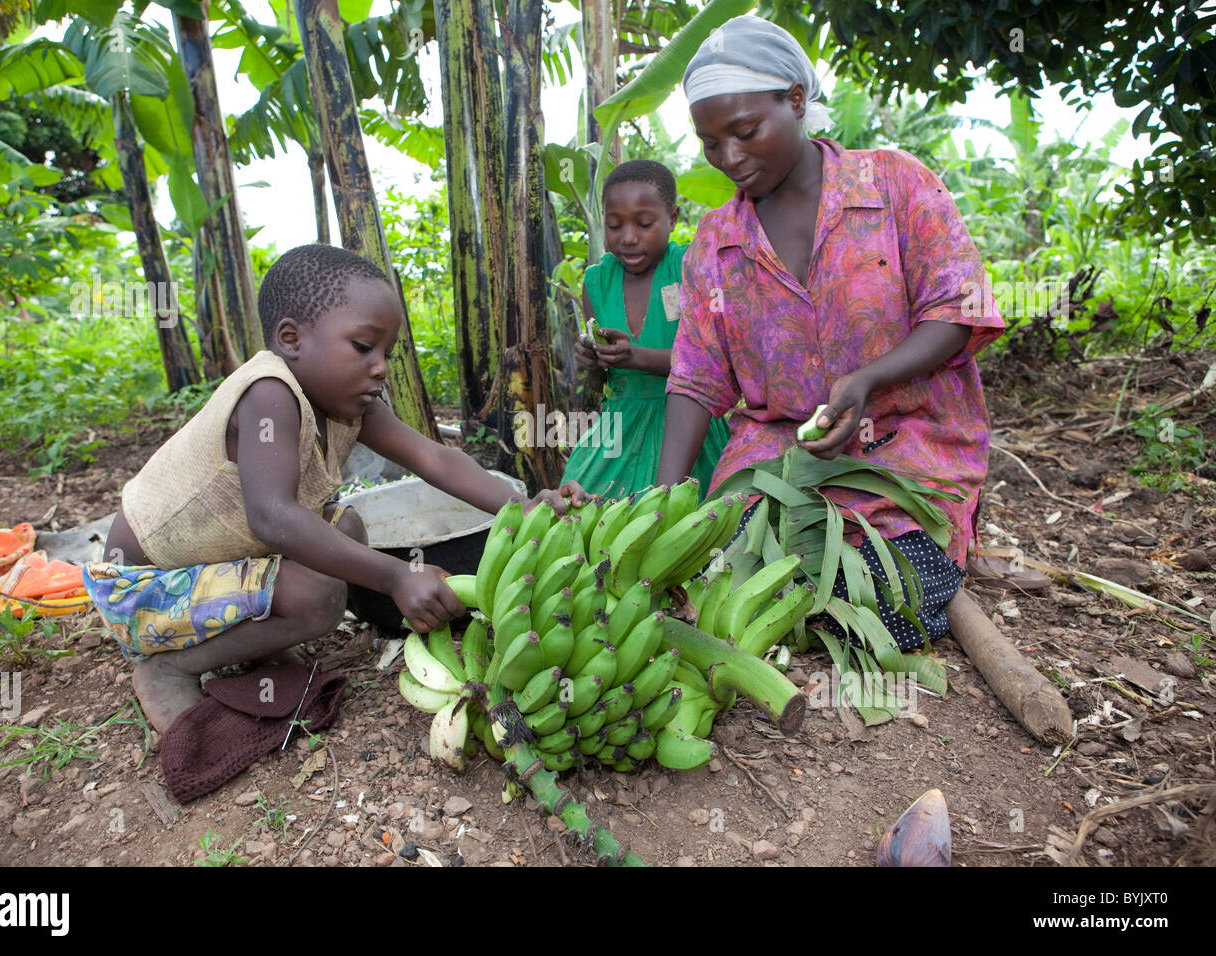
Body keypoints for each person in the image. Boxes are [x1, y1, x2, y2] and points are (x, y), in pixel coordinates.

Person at [83, 244, 586, 732]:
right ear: (291, 338)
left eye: (387, 352)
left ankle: (256, 640)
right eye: (363, 347)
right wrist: (395, 578)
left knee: (345, 526)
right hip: (145, 588)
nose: (380, 367)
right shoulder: (269, 395)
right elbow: (273, 519)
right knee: (320, 596)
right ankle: (170, 668)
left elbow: (432, 457)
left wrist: (525, 507)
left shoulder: (348, 405)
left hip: (210, 569)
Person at [655, 15, 1006, 650]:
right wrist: (665, 501)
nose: (728, 157)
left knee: (883, 607)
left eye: (745, 131)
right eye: (710, 143)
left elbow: (958, 308)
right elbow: (696, 377)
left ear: (795, 99)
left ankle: (926, 566)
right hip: (777, 459)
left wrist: (869, 380)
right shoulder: (714, 243)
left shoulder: (894, 184)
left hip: (902, 446)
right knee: (717, 582)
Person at [563, 159, 729, 499]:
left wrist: (636, 356)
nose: (628, 238)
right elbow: (603, 386)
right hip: (618, 430)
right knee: (583, 514)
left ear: (673, 219)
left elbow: (715, 365)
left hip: (690, 427)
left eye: (644, 223)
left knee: (695, 528)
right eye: (614, 225)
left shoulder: (689, 269)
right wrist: (594, 362)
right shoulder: (596, 282)